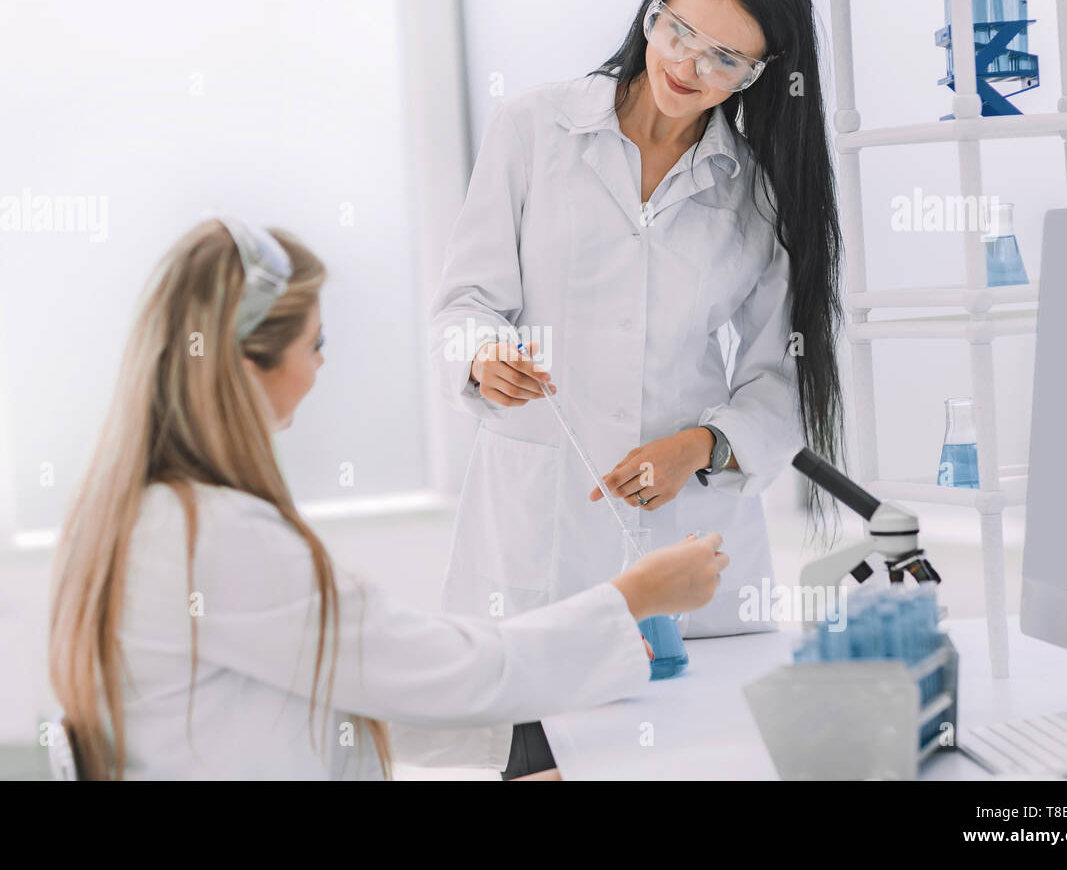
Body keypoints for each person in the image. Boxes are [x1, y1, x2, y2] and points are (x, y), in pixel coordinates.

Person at [47, 217, 727, 780]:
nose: (320, 366)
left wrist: (528, 746)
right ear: (248, 366)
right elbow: (446, 669)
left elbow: (353, 685)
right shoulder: (217, 540)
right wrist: (636, 595)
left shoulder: (139, 517)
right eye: (316, 343)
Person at [428, 0, 844, 776]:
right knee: (538, 752)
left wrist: (699, 447)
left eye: (727, 58)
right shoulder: (532, 129)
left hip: (687, 537)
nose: (689, 65)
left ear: (762, 76)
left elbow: (778, 374)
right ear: (651, 14)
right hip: (541, 533)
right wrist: (480, 355)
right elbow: (465, 302)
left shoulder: (757, 189)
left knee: (690, 757)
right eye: (678, 31)